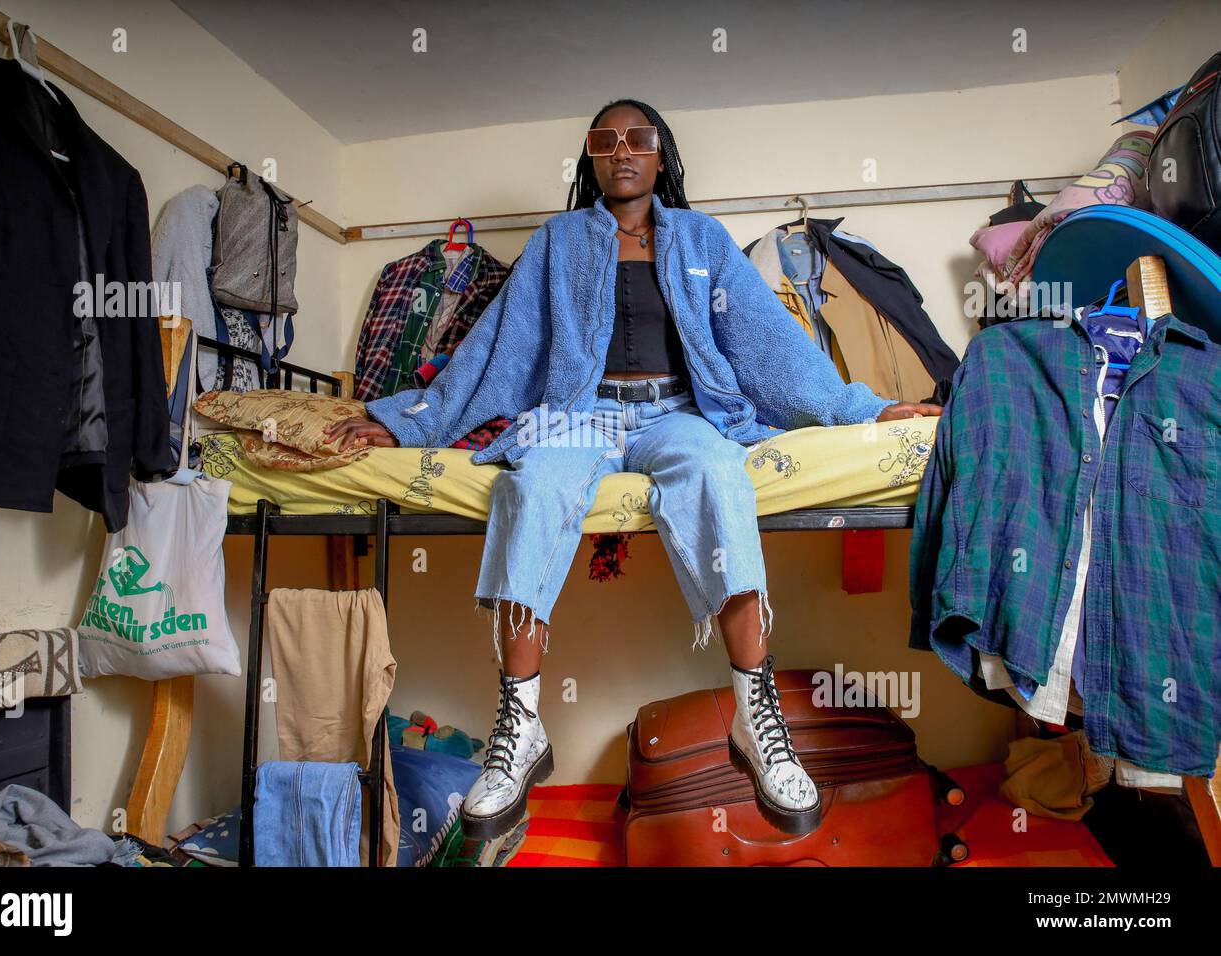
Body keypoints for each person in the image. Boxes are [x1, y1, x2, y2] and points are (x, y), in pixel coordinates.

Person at [326, 99, 941, 840]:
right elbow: (500, 349)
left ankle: (755, 712)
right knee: (533, 482)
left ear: (660, 154)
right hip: (579, 414)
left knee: (719, 473)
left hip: (677, 413)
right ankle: (518, 730)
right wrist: (403, 420)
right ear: (590, 157)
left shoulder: (702, 240)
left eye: (638, 138)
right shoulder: (559, 243)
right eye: (604, 139)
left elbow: (770, 347)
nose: (622, 150)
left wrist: (863, 410)